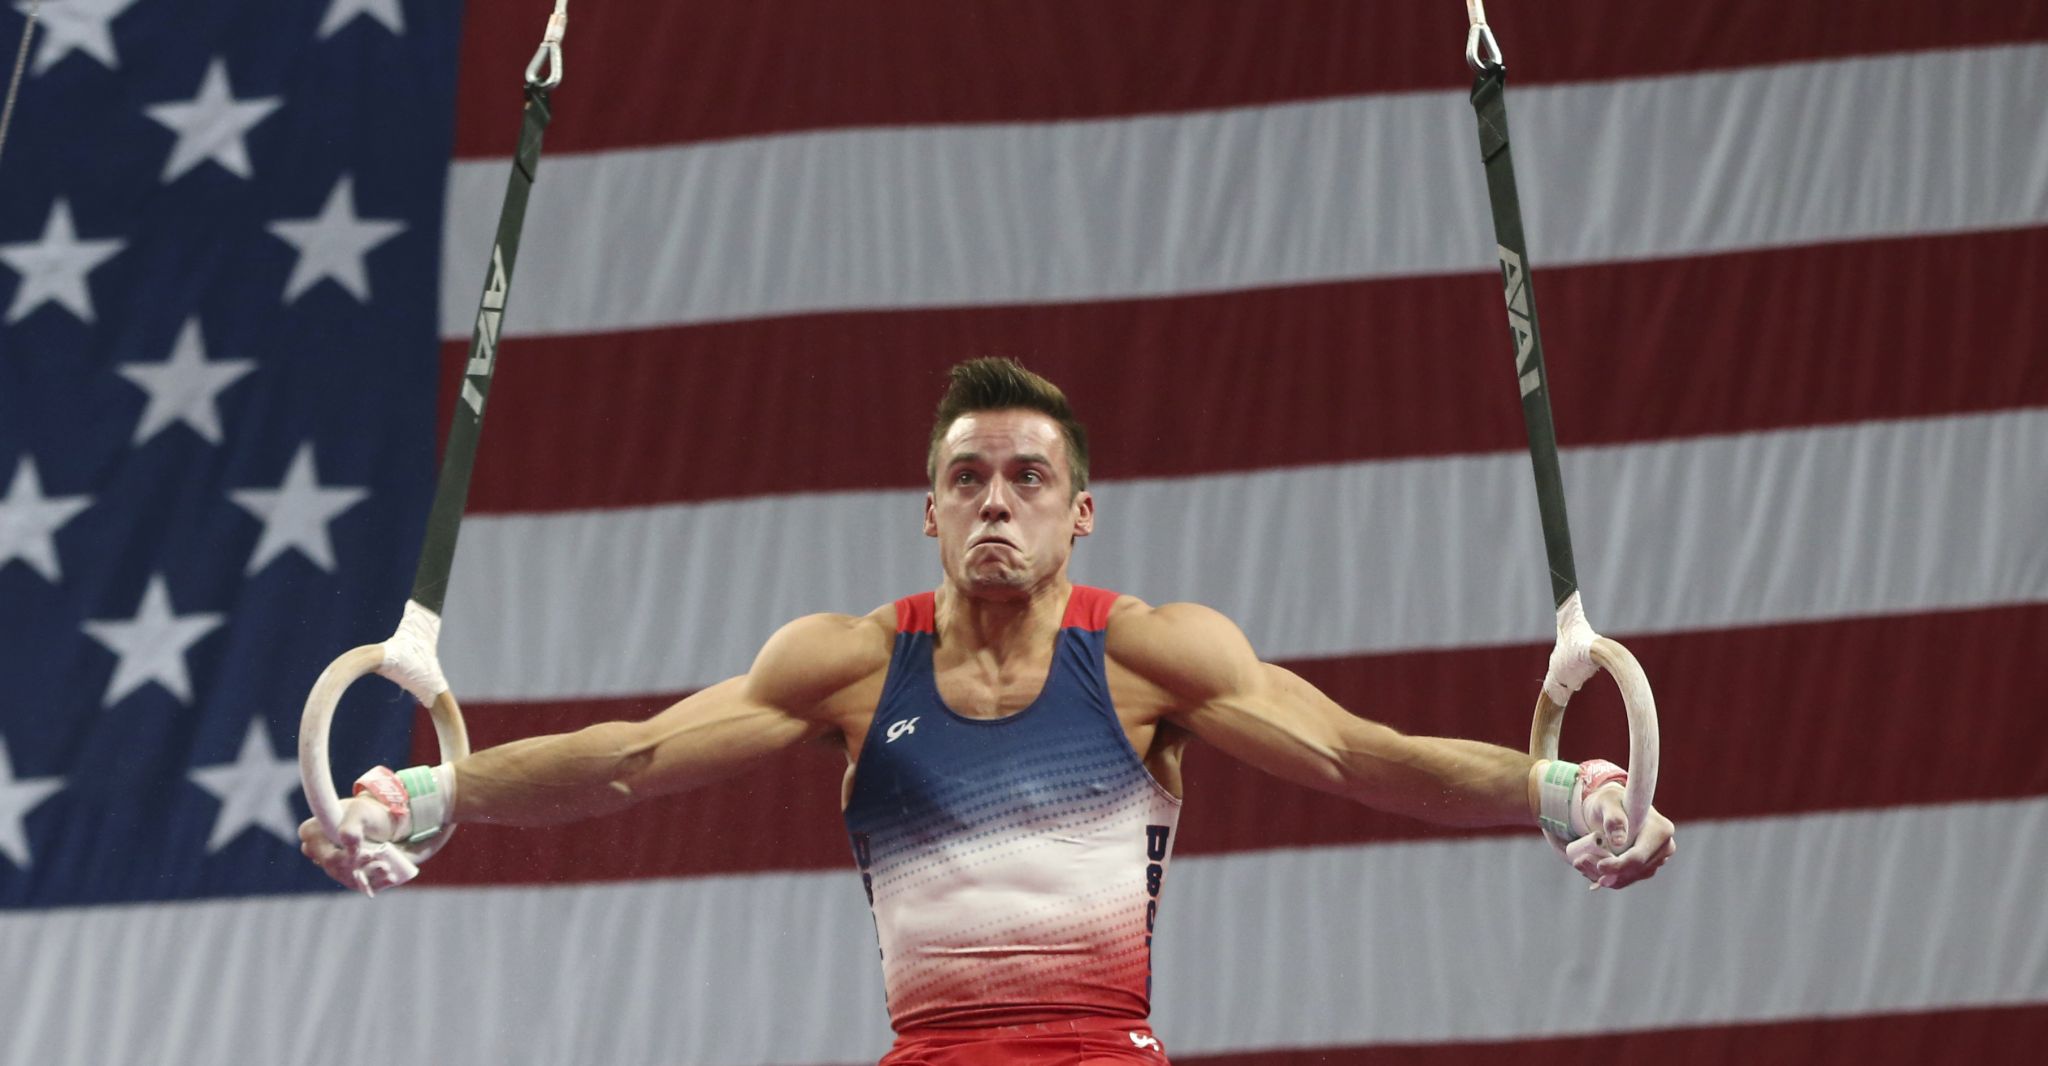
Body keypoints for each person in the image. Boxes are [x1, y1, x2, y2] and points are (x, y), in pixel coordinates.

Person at [302, 357, 1676, 1065]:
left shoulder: (1153, 658)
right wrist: (421, 795)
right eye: (969, 479)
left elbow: (1360, 757)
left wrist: (1566, 791)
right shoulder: (848, 666)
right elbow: (630, 761)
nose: (997, 503)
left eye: (1028, 478)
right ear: (929, 510)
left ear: (1080, 513)